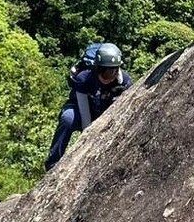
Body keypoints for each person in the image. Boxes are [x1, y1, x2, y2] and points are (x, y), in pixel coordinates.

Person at [46, 41, 133, 170]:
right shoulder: (84, 78)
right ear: (98, 68)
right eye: (106, 72)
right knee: (67, 118)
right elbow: (84, 113)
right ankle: (53, 163)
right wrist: (88, 139)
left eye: (114, 71)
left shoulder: (124, 82)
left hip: (104, 112)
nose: (110, 76)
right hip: (81, 111)